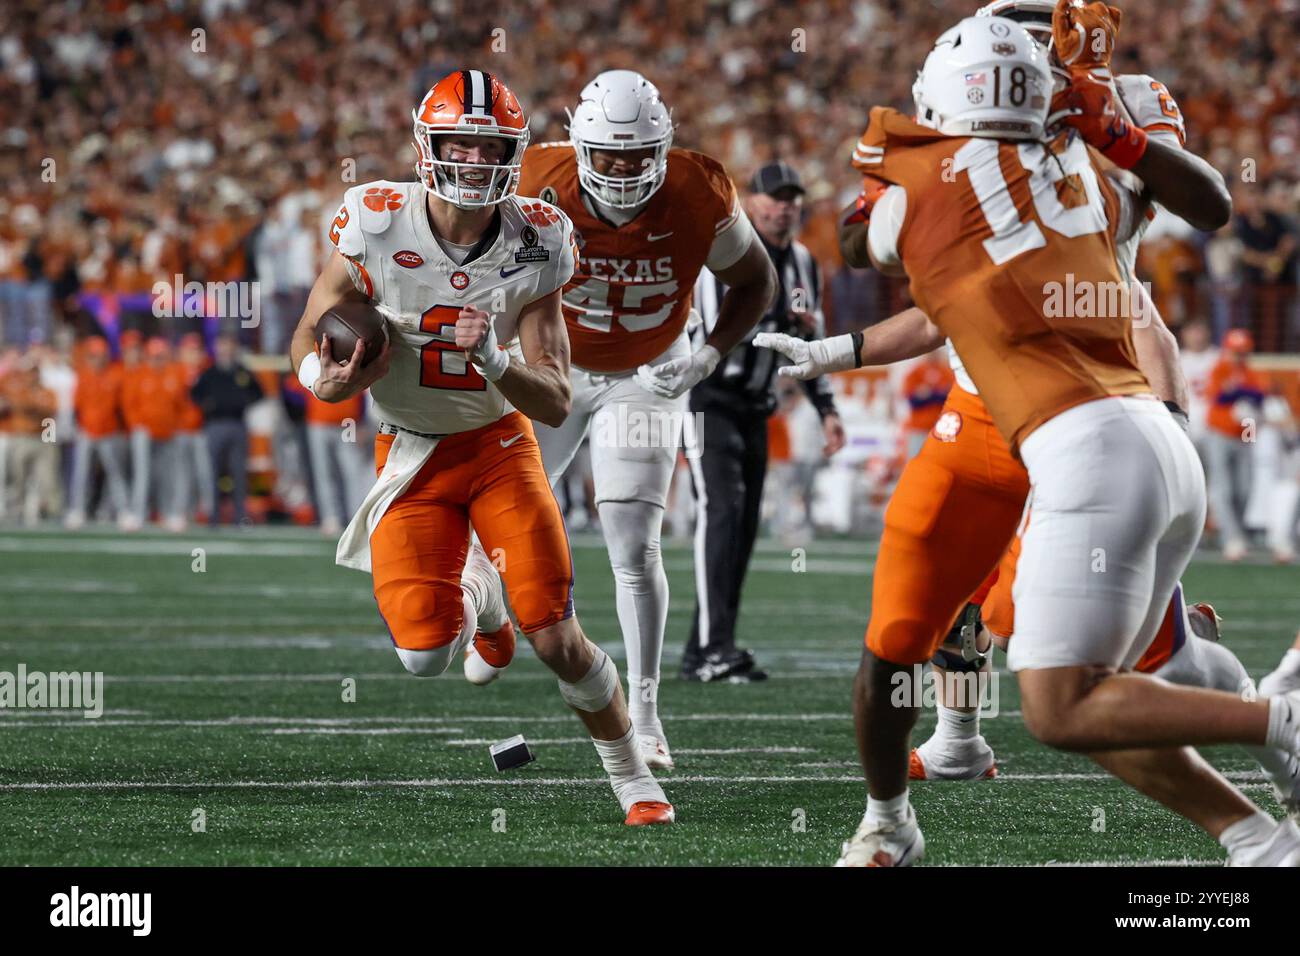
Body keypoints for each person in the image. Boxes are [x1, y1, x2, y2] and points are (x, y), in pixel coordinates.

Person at [767, 9, 1300, 867]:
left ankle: (1273, 728)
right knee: (934, 632)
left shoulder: (994, 159)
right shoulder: (1072, 160)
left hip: (1087, 420)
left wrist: (892, 166)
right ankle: (1252, 839)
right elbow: (950, 290)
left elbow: (873, 243)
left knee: (1076, 688)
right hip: (1028, 413)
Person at [291, 70, 673, 826]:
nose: (470, 159)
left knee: (558, 636)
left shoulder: (538, 238)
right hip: (411, 452)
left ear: (514, 152)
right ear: (425, 146)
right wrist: (321, 380)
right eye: (457, 143)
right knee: (422, 654)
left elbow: (558, 397)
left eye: (487, 145)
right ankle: (481, 602)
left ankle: (633, 777)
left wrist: (496, 362)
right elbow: (312, 326)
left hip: (499, 447)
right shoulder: (371, 219)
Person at [517, 70, 777, 766]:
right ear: (578, 146)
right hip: (556, 367)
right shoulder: (535, 178)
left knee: (634, 543)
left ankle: (648, 712)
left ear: (663, 146)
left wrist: (710, 355)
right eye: (608, 156)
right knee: (506, 510)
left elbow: (756, 281)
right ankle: (488, 621)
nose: (625, 171)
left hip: (648, 372)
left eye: (639, 156)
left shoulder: (699, 190)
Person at [680, 160, 843, 683]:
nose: (785, 207)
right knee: (722, 514)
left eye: (793, 199)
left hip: (755, 405)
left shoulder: (803, 263)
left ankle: (705, 648)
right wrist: (784, 322)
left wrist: (826, 407)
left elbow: (808, 346)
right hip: (708, 396)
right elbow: (718, 326)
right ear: (751, 202)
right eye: (775, 198)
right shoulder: (724, 251)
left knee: (744, 526)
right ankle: (713, 648)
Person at [1202, 328, 1266, 560]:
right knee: (1223, 487)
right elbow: (1219, 396)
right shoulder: (1219, 369)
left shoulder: (1250, 373)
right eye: (1235, 351)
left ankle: (1236, 534)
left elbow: (1260, 397)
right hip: (1219, 433)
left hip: (1245, 434)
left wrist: (1238, 393)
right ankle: (1232, 538)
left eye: (1243, 352)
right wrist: (1242, 394)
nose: (1239, 356)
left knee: (1245, 487)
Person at [191, 334, 264, 527]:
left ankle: (240, 516)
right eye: (223, 345)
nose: (226, 350)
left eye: (229, 345)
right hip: (214, 425)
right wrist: (209, 405)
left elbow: (259, 392)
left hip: (237, 424)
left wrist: (242, 402)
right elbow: (194, 394)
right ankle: (213, 516)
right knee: (212, 472)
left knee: (238, 472)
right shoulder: (210, 372)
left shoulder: (241, 372)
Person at [66, 337, 131, 529]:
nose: (97, 360)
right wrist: (78, 428)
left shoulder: (115, 375)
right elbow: (76, 407)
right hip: (87, 432)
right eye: (93, 356)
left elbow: (121, 407)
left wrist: (121, 430)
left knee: (116, 473)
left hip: (109, 432)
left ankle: (123, 511)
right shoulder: (83, 376)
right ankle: (77, 510)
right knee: (81, 474)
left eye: (100, 356)